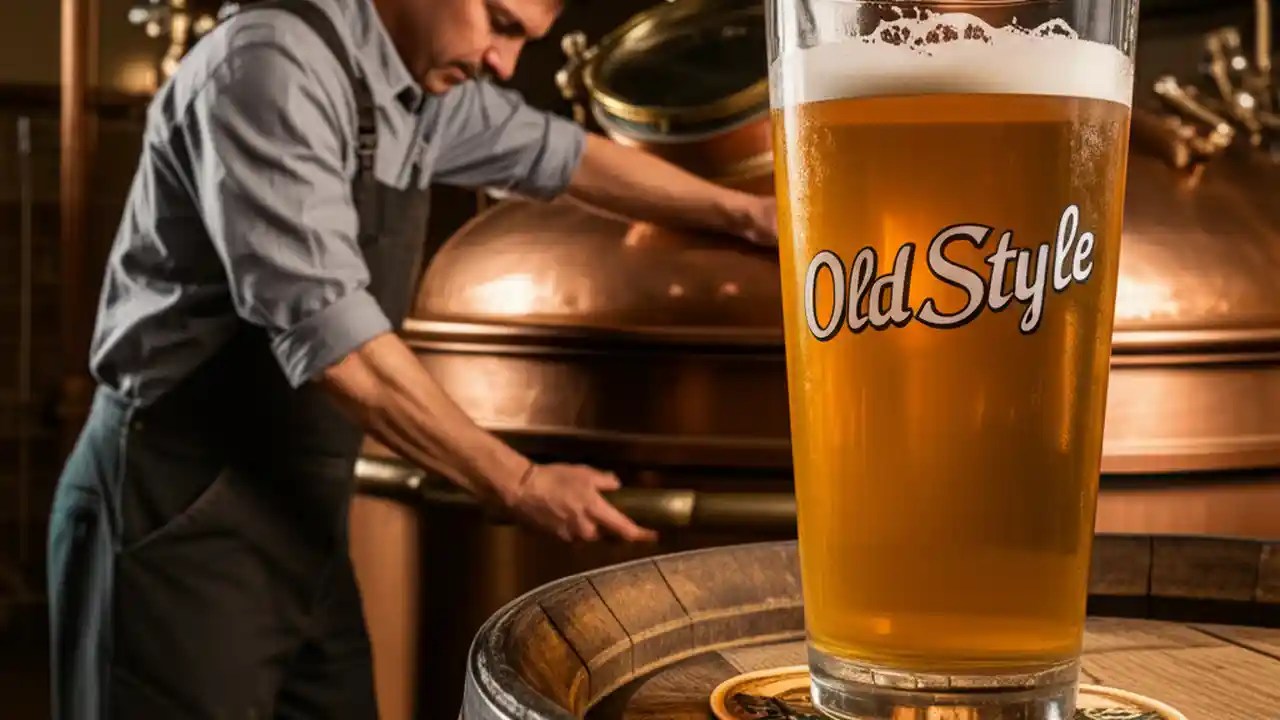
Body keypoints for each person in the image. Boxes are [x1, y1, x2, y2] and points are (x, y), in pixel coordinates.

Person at [45, 0, 778, 716]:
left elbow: (567, 155)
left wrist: (750, 213)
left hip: (299, 516)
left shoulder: (410, 92)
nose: (505, 61)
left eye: (526, 39)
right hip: (178, 505)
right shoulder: (270, 67)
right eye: (498, 24)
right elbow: (341, 351)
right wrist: (518, 481)